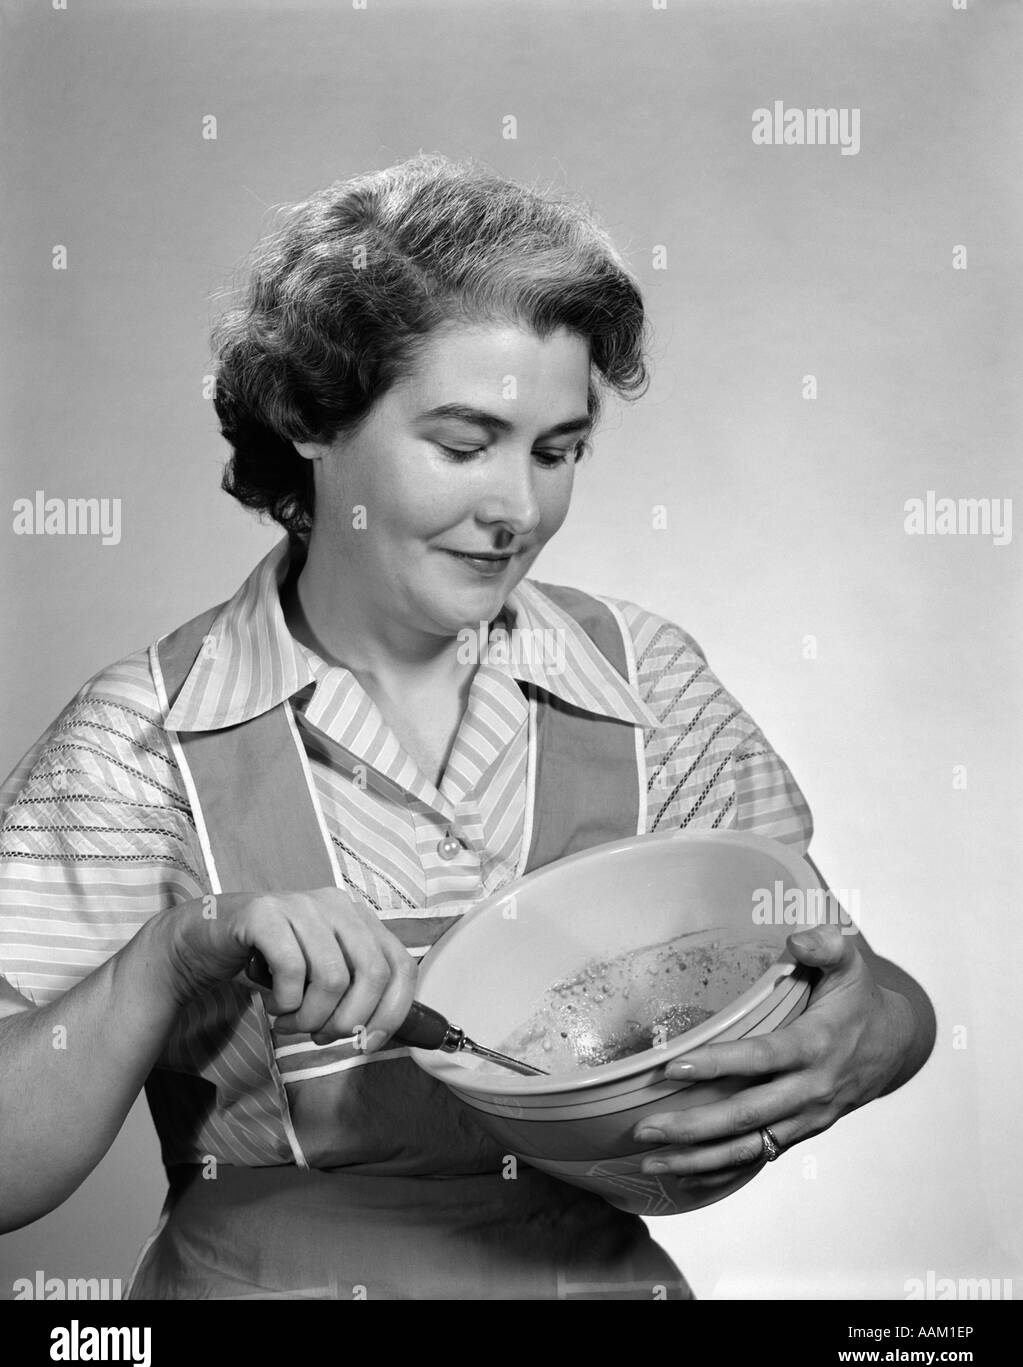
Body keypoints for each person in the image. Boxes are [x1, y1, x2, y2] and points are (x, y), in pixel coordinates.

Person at [0, 152, 935, 1301]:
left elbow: (850, 977)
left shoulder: (651, 685)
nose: (516, 510)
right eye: (461, 443)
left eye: (558, 451)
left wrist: (878, 1035)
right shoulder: (139, 742)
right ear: (307, 416)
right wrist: (170, 955)